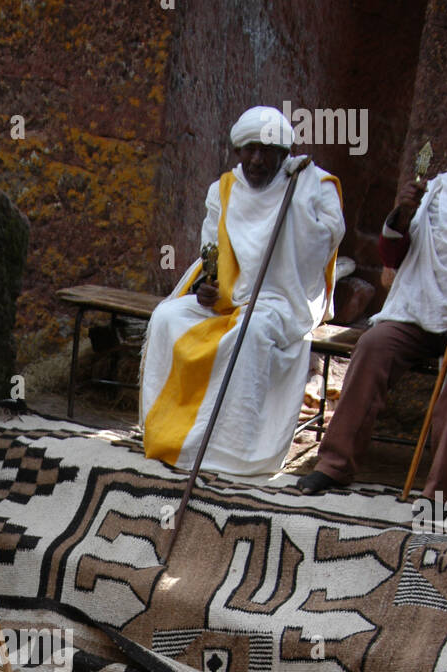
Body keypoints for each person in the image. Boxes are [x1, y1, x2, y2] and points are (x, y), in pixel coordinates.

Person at [141, 106, 344, 479]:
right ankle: (169, 432)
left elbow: (330, 237)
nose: (256, 159)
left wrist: (299, 203)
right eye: (248, 149)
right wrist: (207, 286)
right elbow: (210, 252)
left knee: (249, 333)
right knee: (167, 317)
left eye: (266, 151)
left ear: (284, 154)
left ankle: (232, 452)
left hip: (283, 297)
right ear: (237, 151)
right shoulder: (223, 189)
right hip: (229, 294)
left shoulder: (312, 184)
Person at [299, 169, 447, 497]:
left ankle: (442, 491)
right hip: (418, 308)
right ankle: (334, 465)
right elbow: (391, 256)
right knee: (373, 346)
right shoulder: (437, 194)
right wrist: (404, 213)